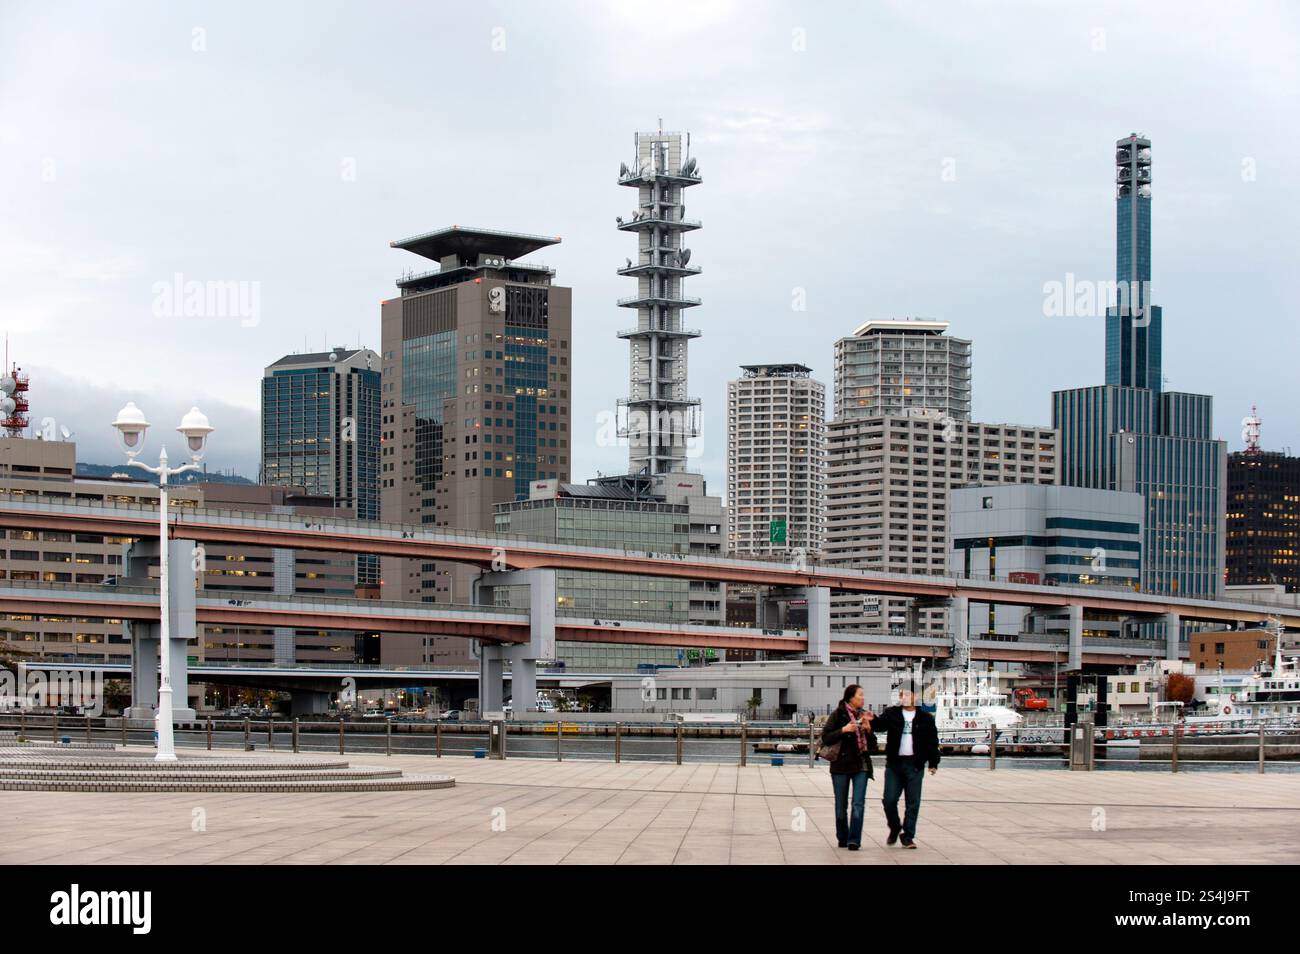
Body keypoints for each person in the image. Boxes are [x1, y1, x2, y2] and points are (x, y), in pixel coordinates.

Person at [863, 684, 940, 849]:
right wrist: (873, 719)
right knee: (889, 800)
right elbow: (880, 725)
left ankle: (908, 836)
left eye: (907, 694)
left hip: (915, 765)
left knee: (913, 802)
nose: (904, 697)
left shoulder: (925, 718)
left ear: (916, 697)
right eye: (901, 695)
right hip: (894, 764)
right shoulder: (892, 713)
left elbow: (932, 742)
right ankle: (895, 826)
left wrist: (933, 763)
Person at [820, 683, 875, 850]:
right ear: (850, 697)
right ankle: (842, 836)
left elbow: (872, 746)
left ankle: (854, 840)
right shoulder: (838, 715)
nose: (863, 698)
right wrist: (844, 730)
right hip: (841, 765)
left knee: (858, 803)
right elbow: (826, 738)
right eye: (860, 695)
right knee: (840, 806)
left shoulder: (864, 716)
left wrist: (869, 730)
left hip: (861, 764)